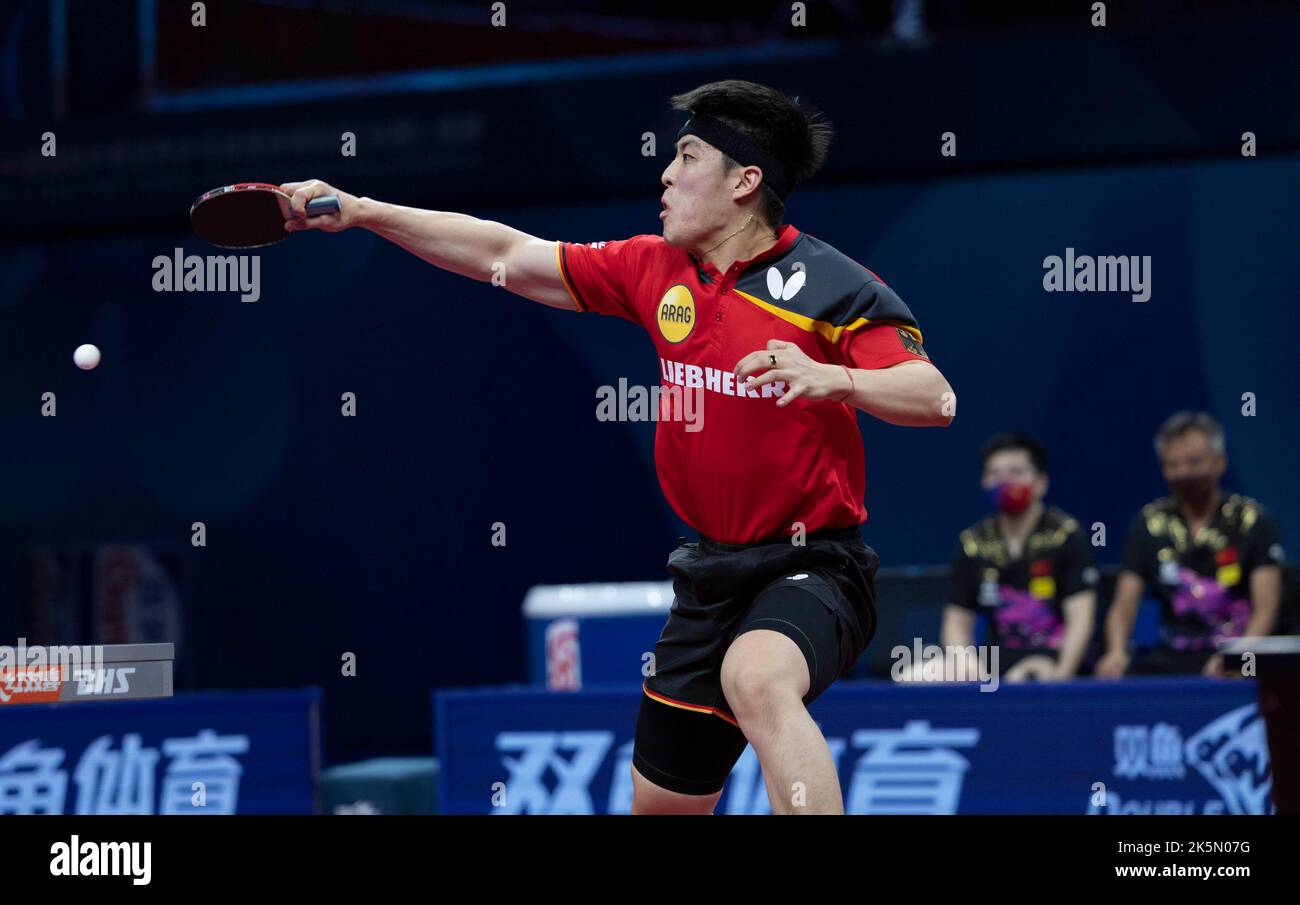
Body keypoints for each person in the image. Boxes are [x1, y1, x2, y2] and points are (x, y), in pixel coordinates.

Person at [279, 79, 954, 814]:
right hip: (709, 573)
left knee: (756, 679)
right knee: (662, 804)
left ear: (744, 181)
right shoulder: (653, 269)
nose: (665, 174)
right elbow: (505, 252)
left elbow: (934, 397)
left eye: (688, 156)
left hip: (814, 563)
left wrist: (834, 378)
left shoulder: (836, 288)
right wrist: (364, 211)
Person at [1096, 411, 1284, 677]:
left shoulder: (1253, 521)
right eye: (1173, 465)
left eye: (1194, 462)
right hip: (1170, 658)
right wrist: (1116, 652)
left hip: (1238, 656)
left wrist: (1239, 657)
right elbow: (1124, 605)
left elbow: (1267, 607)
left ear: (1220, 462)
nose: (1183, 473)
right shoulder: (1149, 523)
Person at [942, 434, 1097, 682]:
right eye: (995, 474)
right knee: (914, 676)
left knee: (1022, 678)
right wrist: (966, 666)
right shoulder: (973, 542)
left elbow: (1080, 618)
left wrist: (1062, 677)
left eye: (1016, 472)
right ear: (983, 482)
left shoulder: (1066, 535)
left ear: (1041, 482)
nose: (1004, 482)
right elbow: (957, 621)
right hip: (993, 658)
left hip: (1050, 657)